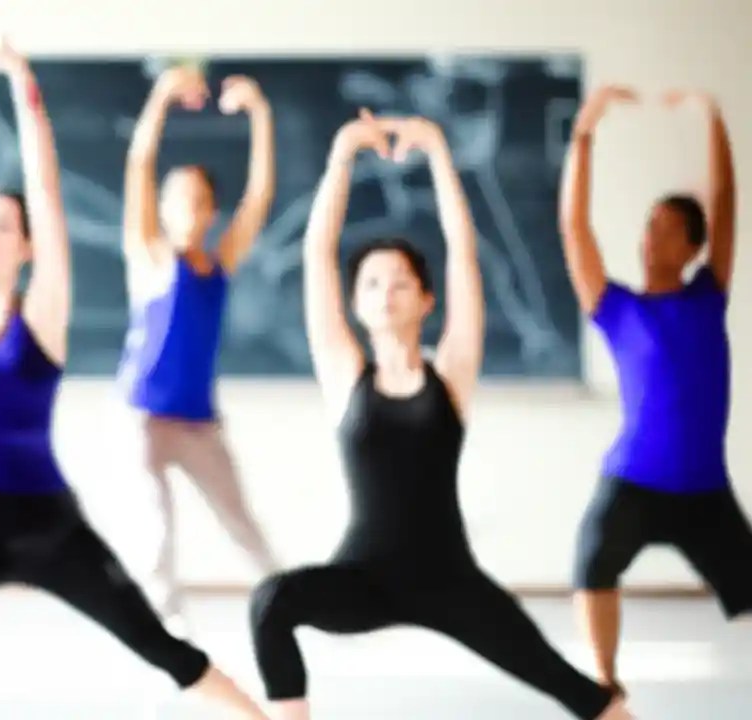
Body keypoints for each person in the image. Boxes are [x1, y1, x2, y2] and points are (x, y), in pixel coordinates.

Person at [0, 33, 267, 718]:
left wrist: (23, 83)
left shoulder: (41, 313)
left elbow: (44, 190)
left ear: (27, 247)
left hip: (55, 533)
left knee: (161, 648)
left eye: (3, 228)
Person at [247, 110, 634, 720]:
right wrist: (342, 156)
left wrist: (437, 151)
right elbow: (318, 252)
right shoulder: (345, 373)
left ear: (427, 300)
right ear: (356, 304)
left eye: (401, 283)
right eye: (372, 284)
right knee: (271, 602)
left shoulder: (450, 370)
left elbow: (461, 252)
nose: (386, 293)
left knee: (586, 695)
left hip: (451, 582)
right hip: (363, 578)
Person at [561, 85, 743, 698]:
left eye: (669, 230)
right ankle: (606, 686)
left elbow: (724, 200)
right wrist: (584, 134)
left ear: (693, 247)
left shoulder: (706, 295)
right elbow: (573, 226)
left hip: (704, 490)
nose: (652, 238)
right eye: (649, 226)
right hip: (634, 479)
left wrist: (709, 115)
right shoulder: (616, 309)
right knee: (591, 564)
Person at [116, 64, 278, 634]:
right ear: (162, 209)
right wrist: (160, 99)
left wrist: (259, 114)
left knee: (239, 518)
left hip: (197, 422)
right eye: (177, 199)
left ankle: (283, 598)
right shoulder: (152, 259)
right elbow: (139, 166)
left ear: (211, 211)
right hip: (144, 416)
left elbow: (260, 195)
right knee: (156, 522)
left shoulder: (219, 263)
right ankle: (163, 620)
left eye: (198, 200)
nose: (187, 209)